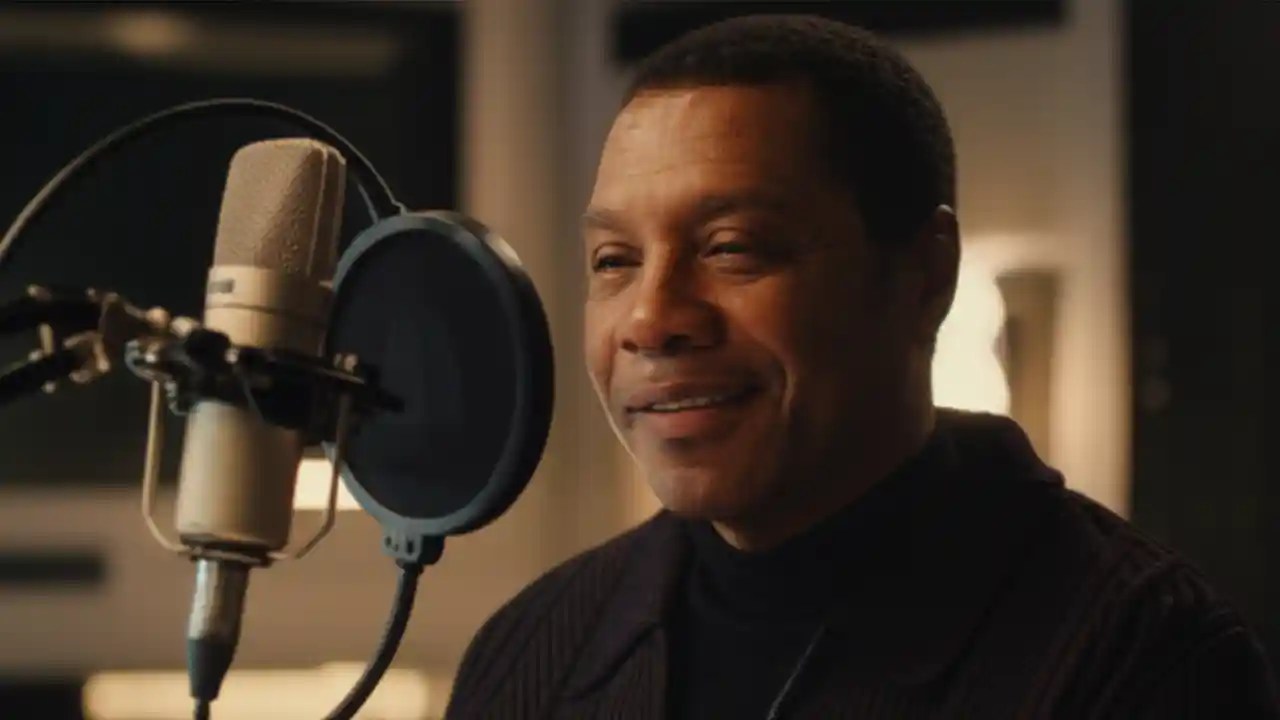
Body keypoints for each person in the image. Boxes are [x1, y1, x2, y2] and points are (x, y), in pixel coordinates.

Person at [446, 14, 1279, 719]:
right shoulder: (534, 653)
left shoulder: (1137, 656)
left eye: (732, 249)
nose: (653, 319)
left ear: (923, 275)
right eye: (614, 260)